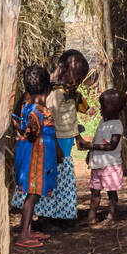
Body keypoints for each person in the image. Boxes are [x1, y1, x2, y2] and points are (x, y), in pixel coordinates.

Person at [35, 49, 89, 228]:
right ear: (64, 70)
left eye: (82, 76)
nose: (80, 79)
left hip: (65, 144)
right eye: (78, 75)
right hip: (54, 145)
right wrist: (56, 146)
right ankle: (45, 218)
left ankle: (61, 215)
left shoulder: (68, 92)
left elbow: (69, 118)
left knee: (63, 181)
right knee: (51, 180)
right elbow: (48, 120)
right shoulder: (55, 94)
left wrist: (77, 137)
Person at [12, 64, 59, 248]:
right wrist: (29, 132)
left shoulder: (27, 105)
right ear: (46, 90)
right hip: (36, 160)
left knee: (34, 195)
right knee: (32, 195)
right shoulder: (38, 111)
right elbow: (32, 133)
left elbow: (21, 126)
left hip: (32, 156)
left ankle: (28, 229)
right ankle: (23, 235)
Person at [78, 89, 125, 227]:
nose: (100, 109)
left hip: (110, 166)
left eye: (103, 106)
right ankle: (91, 216)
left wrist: (91, 147)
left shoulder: (117, 125)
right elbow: (98, 139)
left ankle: (111, 216)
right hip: (97, 165)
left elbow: (112, 146)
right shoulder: (102, 122)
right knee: (94, 191)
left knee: (111, 192)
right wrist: (90, 153)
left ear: (114, 108)